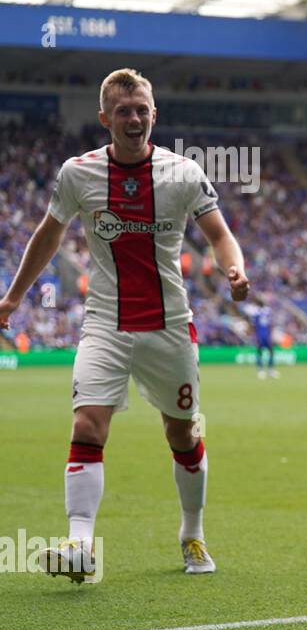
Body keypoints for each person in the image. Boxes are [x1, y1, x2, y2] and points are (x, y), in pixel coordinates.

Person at [0, 68, 250, 580]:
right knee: (87, 424)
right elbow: (47, 237)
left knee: (181, 434)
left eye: (141, 110)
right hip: (105, 325)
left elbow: (220, 234)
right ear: (104, 118)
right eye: (123, 111)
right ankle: (80, 545)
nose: (133, 119)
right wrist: (12, 298)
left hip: (169, 325)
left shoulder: (183, 174)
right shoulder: (78, 173)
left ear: (154, 115)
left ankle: (193, 533)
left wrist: (234, 267)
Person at [246, 296, 277, 379]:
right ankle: (270, 370)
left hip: (260, 334)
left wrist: (253, 335)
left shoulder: (256, 312)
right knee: (270, 352)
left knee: (260, 352)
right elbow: (271, 324)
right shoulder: (267, 311)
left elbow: (253, 326)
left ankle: (261, 370)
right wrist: (271, 335)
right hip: (265, 334)